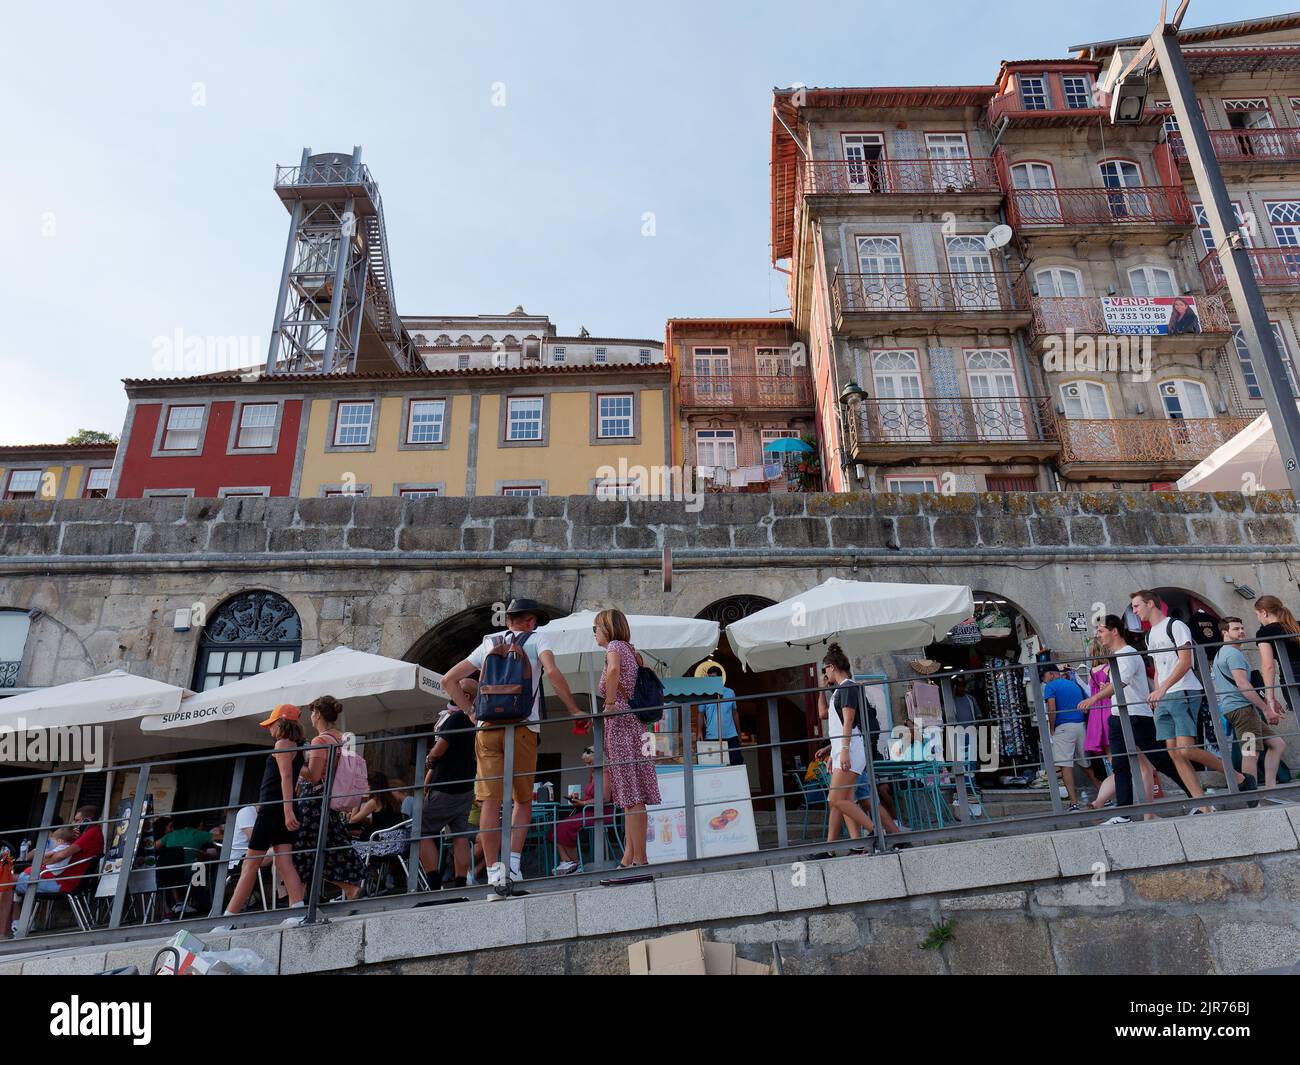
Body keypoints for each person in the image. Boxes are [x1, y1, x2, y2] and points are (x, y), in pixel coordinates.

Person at [440, 598, 585, 896]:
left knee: (489, 802)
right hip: (522, 728)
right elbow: (553, 673)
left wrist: (471, 711)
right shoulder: (537, 639)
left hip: (488, 729)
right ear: (531, 621)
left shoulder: (488, 643)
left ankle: (493, 870)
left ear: (508, 621)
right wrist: (573, 709)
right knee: (523, 800)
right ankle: (514, 864)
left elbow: (448, 680)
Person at [1131, 590, 1252, 811]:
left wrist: (1163, 689)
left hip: (1183, 691)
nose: (1134, 611)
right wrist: (1157, 692)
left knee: (1185, 750)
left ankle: (1239, 777)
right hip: (1164, 696)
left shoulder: (1175, 626)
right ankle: (1203, 805)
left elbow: (1186, 661)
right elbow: (1158, 667)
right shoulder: (1149, 635)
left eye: (1137, 606)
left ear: (1150, 603)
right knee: (1174, 753)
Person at [1080, 615, 1196, 824]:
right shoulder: (1116, 655)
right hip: (1118, 716)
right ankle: (1124, 814)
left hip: (1136, 715)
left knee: (1162, 761)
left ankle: (1196, 798)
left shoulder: (1128, 653)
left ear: (1114, 631)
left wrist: (1095, 698)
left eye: (1101, 630)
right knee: (1121, 766)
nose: (1098, 635)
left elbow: (1121, 683)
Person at [220, 705, 307, 924]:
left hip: (272, 809)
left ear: (280, 723)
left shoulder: (282, 744)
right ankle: (297, 911)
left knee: (250, 864)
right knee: (284, 862)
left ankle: (228, 920)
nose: (269, 729)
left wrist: (287, 810)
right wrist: (289, 809)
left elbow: (286, 778)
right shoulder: (297, 746)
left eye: (271, 724)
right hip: (281, 808)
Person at [594, 608, 660, 869]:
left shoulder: (613, 647)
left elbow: (612, 672)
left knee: (631, 796)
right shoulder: (632, 650)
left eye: (596, 628)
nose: (594, 633)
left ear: (607, 628)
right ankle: (629, 857)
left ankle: (640, 859)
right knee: (636, 795)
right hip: (639, 725)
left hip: (622, 725)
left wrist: (609, 703)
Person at [292, 695, 367, 901]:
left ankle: (305, 901)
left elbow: (315, 776)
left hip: (313, 802)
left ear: (317, 714)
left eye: (312, 713)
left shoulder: (319, 740)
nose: (311, 718)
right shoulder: (344, 738)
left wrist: (295, 762)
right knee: (330, 845)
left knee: (303, 851)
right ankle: (309, 899)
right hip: (330, 800)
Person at [1, 805, 104, 936]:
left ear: (88, 820)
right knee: (10, 882)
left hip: (62, 883)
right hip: (63, 880)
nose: (74, 823)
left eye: (77, 820)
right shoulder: (91, 834)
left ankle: (6, 930)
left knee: (6, 882)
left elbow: (61, 855)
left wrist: (42, 861)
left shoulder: (91, 834)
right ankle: (18, 924)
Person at [1212, 617, 1285, 790]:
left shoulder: (1220, 653)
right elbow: (1242, 684)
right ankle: (1252, 796)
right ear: (1225, 633)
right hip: (1243, 710)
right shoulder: (1233, 653)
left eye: (1242, 628)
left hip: (1239, 710)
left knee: (1277, 744)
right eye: (1236, 629)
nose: (1242, 631)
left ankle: (1270, 788)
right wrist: (1266, 709)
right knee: (1250, 752)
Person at [818, 643, 877, 850]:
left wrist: (842, 752)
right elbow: (834, 723)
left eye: (825, 669)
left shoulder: (849, 687)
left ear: (832, 666)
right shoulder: (840, 690)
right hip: (844, 750)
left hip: (850, 750)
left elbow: (848, 721)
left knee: (836, 799)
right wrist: (834, 753)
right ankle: (834, 849)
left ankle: (876, 831)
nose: (825, 673)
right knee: (840, 800)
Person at [418, 701, 478, 890]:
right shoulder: (477, 721)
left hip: (446, 787)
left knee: (420, 830)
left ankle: (434, 885)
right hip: (466, 787)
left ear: (465, 696)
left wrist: (429, 759)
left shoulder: (457, 718)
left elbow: (439, 750)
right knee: (459, 836)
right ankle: (460, 883)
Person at [1043, 664, 1097, 811]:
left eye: (1044, 676)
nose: (1043, 680)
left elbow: (1052, 708)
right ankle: (1106, 797)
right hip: (1081, 726)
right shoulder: (1074, 685)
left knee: (1065, 765)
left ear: (1051, 674)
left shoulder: (1050, 686)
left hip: (1063, 727)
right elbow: (1086, 706)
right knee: (1086, 764)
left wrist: (1051, 728)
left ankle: (1074, 803)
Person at [550, 746, 603, 875]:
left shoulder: (604, 773)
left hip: (602, 812)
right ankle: (567, 861)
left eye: (589, 763)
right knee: (554, 827)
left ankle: (575, 862)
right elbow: (592, 796)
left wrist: (583, 802)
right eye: (586, 763)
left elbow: (604, 798)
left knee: (565, 826)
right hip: (589, 810)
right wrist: (579, 800)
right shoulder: (593, 774)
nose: (587, 766)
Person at [1254, 595, 1300, 716]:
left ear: (1264, 612)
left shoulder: (1265, 632)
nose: (1258, 619)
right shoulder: (1297, 626)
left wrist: (1270, 697)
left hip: (1292, 677)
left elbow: (1268, 666)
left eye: (1257, 615)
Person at [696, 664, 743, 766]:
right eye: (709, 678)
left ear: (720, 678)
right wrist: (699, 731)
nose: (711, 681)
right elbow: (700, 714)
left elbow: (735, 713)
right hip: (712, 736)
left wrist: (739, 733)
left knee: (736, 763)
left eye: (713, 678)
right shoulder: (704, 694)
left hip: (731, 736)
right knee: (714, 766)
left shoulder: (730, 692)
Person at [349, 772, 403, 838]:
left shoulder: (374, 802)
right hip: (397, 837)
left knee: (349, 830)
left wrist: (358, 797)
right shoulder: (391, 799)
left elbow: (352, 820)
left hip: (384, 841)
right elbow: (382, 820)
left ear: (370, 786)